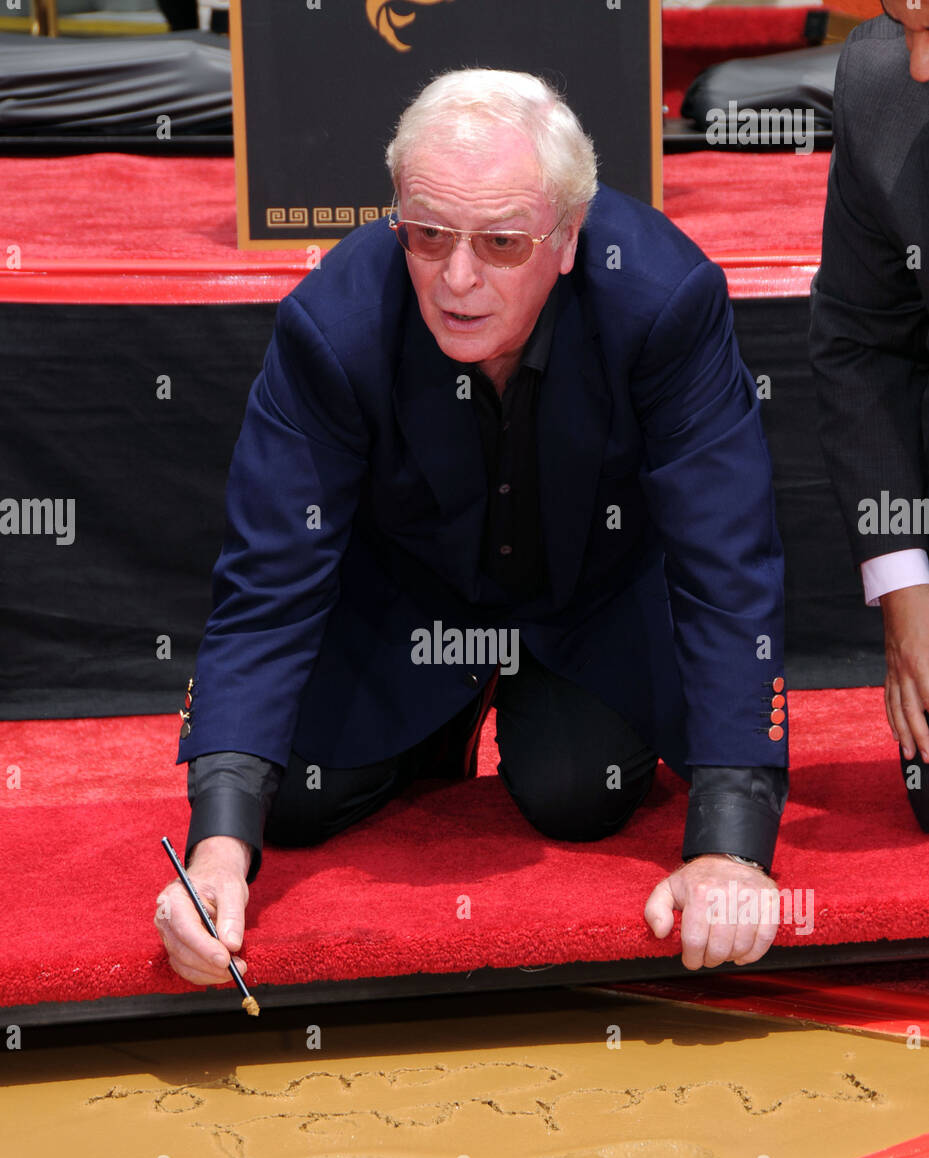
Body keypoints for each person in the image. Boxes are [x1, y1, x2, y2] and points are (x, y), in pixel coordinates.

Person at [154, 69, 789, 984]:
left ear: (568, 238)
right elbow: (267, 583)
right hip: (404, 595)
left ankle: (520, 708)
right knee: (281, 805)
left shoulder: (664, 300)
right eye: (427, 234)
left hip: (592, 595)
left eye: (501, 242)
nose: (457, 278)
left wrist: (732, 847)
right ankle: (431, 724)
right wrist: (214, 848)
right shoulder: (331, 325)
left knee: (578, 794)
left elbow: (728, 561)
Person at [810, 1, 929, 829]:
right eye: (905, 20)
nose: (919, 64)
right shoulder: (882, 83)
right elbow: (861, 344)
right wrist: (907, 596)